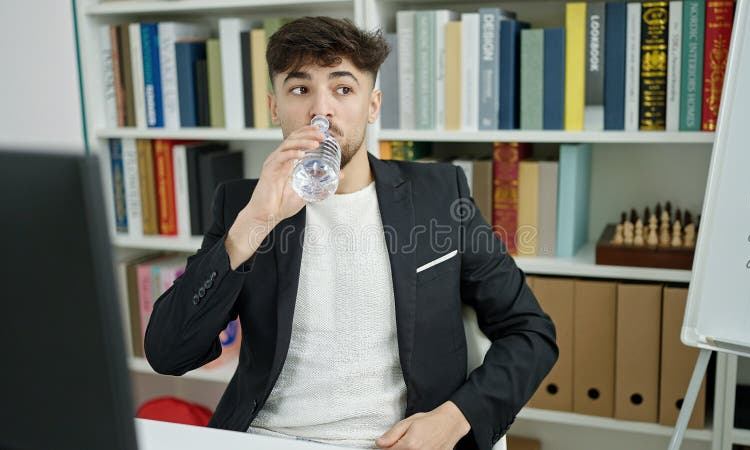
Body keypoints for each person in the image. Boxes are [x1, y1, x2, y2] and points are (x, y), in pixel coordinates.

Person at [144, 16, 558, 450]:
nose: (321, 111)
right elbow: (170, 353)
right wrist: (253, 224)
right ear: (274, 107)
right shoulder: (242, 204)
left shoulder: (438, 194)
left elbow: (530, 332)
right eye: (300, 89)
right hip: (269, 436)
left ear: (372, 105)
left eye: (343, 89)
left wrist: (455, 419)